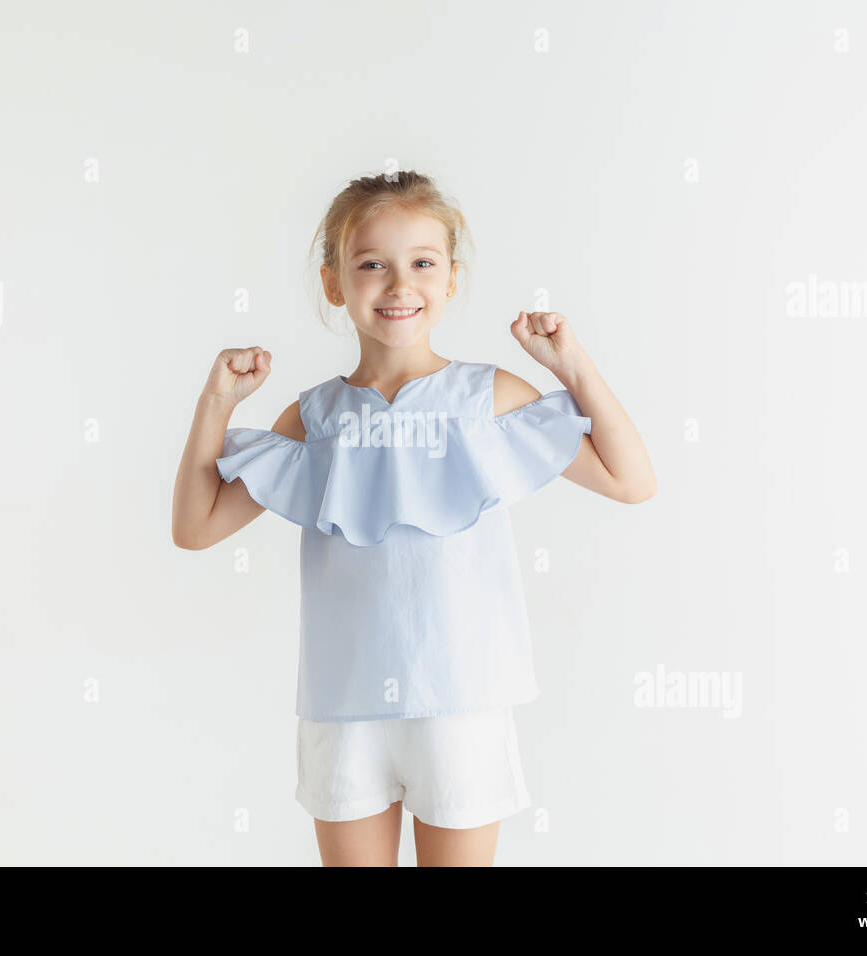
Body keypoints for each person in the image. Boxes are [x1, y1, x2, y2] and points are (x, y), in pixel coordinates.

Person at [171, 170, 656, 866]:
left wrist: (570, 364)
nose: (399, 285)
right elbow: (197, 527)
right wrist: (215, 405)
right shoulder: (316, 418)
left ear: (451, 278)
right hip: (344, 707)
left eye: (422, 263)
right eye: (372, 264)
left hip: (461, 699)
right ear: (334, 282)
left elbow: (631, 480)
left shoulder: (485, 399)